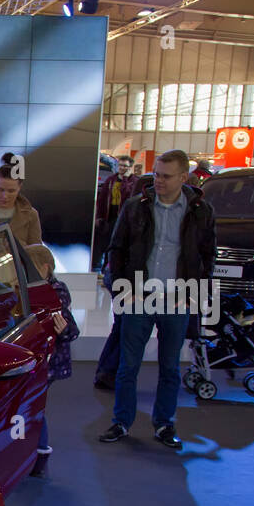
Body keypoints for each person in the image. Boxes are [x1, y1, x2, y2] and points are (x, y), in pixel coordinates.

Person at [100, 149, 216, 450]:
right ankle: (121, 422)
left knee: (170, 367)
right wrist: (122, 288)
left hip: (178, 299)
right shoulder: (135, 206)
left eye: (166, 176)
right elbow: (117, 248)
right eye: (157, 174)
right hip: (139, 296)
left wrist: (195, 294)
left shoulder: (201, 210)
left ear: (183, 177)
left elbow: (207, 255)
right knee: (128, 366)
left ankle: (165, 424)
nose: (158, 181)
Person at [24, 244, 78, 478]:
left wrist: (61, 329)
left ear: (45, 268)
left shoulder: (55, 292)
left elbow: (69, 330)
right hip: (38, 361)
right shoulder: (31, 290)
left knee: (36, 407)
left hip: (49, 362)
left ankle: (40, 454)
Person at [93, 156, 143, 387]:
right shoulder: (132, 210)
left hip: (132, 280)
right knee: (124, 327)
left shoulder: (131, 189)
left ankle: (108, 372)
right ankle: (110, 372)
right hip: (126, 278)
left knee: (122, 327)